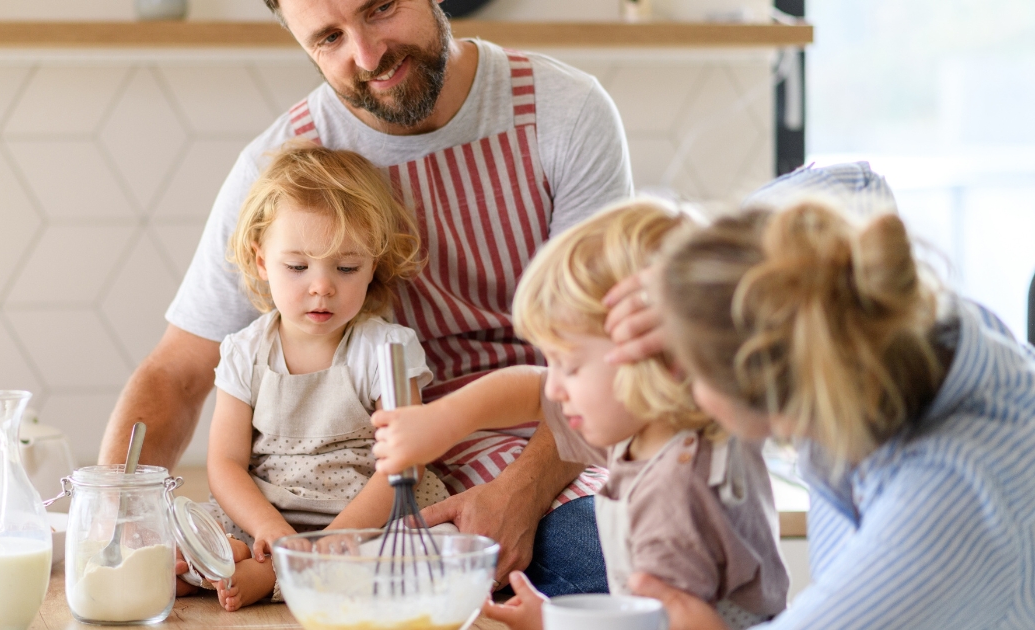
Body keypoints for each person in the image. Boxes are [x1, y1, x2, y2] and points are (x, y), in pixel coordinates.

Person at [101, 0, 632, 594]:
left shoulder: (563, 113)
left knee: (607, 574)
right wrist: (113, 524)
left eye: (379, 7)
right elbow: (177, 371)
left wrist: (521, 495)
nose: (367, 54)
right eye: (329, 38)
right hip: (371, 485)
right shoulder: (288, 169)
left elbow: (602, 360)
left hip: (539, 444)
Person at [372, 201, 789, 630]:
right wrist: (442, 421)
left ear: (655, 358)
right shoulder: (651, 426)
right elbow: (533, 392)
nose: (554, 386)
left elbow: (674, 625)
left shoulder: (673, 499)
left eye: (569, 367)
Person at [623, 199, 1035, 628]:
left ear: (770, 401)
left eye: (687, 372)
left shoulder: (946, 498)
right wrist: (688, 283)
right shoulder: (886, 323)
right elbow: (828, 186)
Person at [202, 142, 449, 610]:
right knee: (187, 526)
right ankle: (254, 560)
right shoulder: (244, 352)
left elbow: (404, 464)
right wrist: (269, 529)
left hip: (362, 513)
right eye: (297, 267)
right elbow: (224, 465)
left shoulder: (386, 350)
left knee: (443, 541)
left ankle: (268, 575)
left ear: (373, 263)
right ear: (261, 261)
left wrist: (332, 542)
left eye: (347, 267)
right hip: (269, 508)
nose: (321, 286)